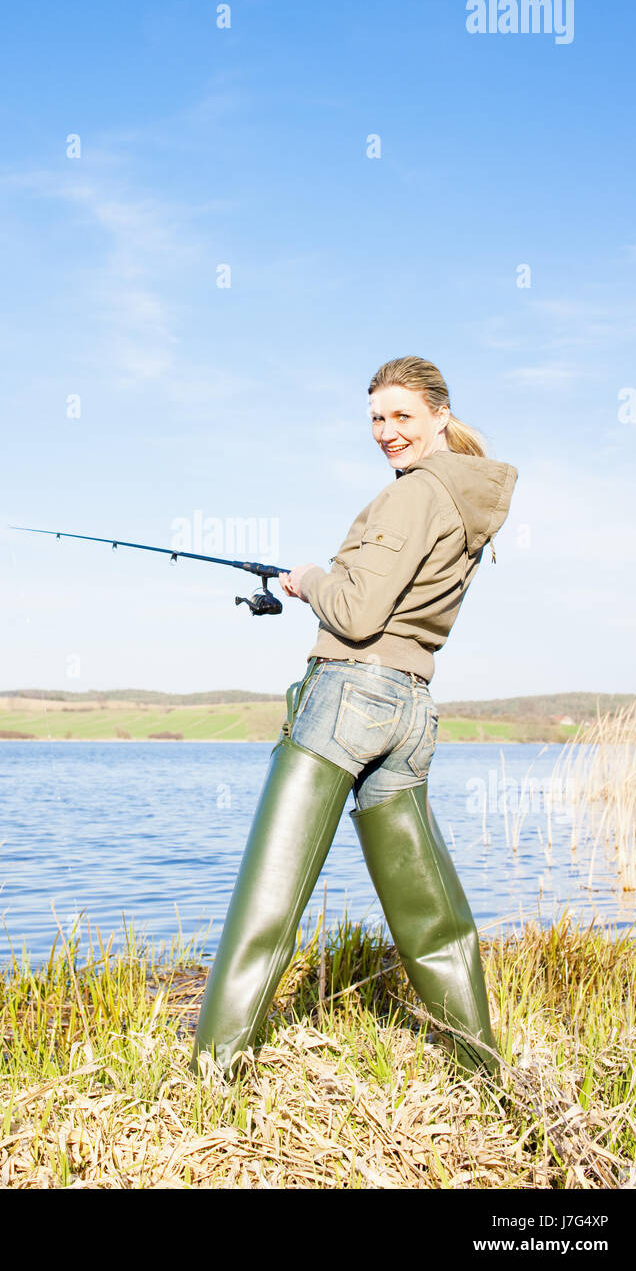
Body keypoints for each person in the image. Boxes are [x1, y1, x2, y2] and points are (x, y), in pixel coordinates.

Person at [190, 357, 517, 1081]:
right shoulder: (464, 499)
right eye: (376, 418)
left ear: (439, 413)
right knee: (433, 921)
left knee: (264, 906)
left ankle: (213, 1078)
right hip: (411, 709)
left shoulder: (411, 497)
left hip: (348, 700)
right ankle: (481, 1071)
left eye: (402, 415)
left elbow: (359, 612)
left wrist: (308, 580)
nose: (386, 431)